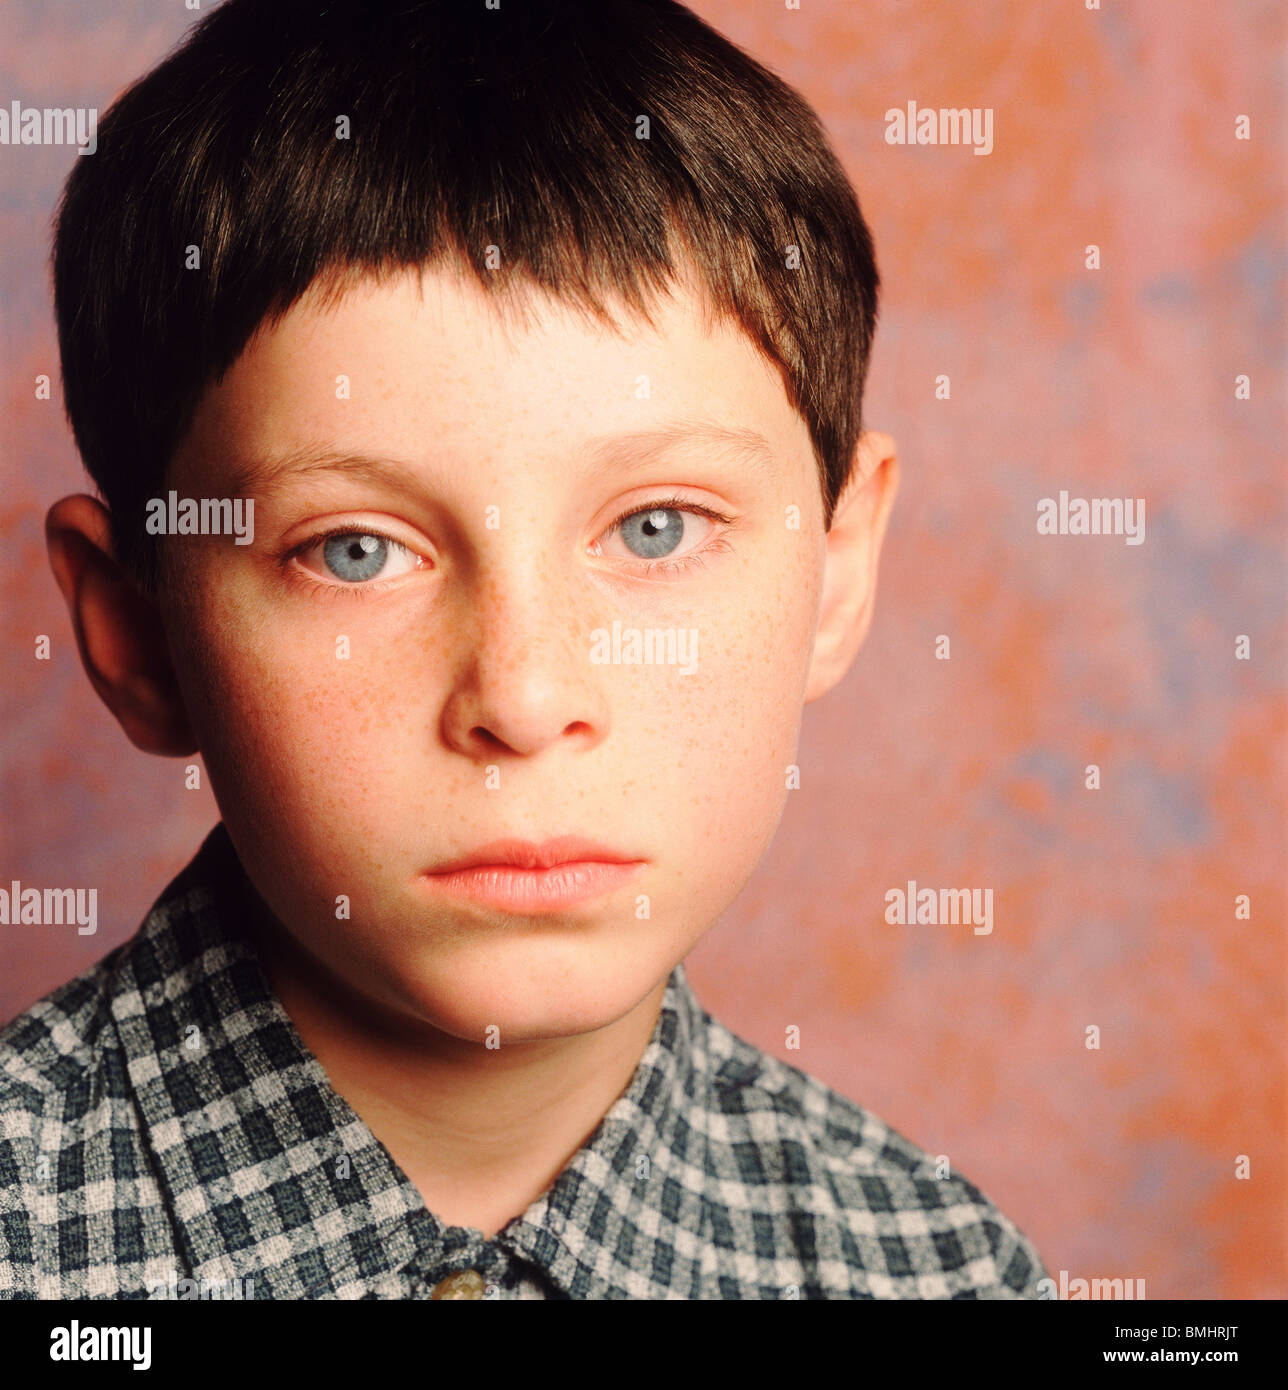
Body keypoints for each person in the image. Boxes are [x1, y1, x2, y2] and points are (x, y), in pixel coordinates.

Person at [0, 0, 1047, 1299]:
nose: (527, 695)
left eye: (658, 528)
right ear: (138, 633)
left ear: (837, 572)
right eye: (355, 550)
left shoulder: (944, 1273)